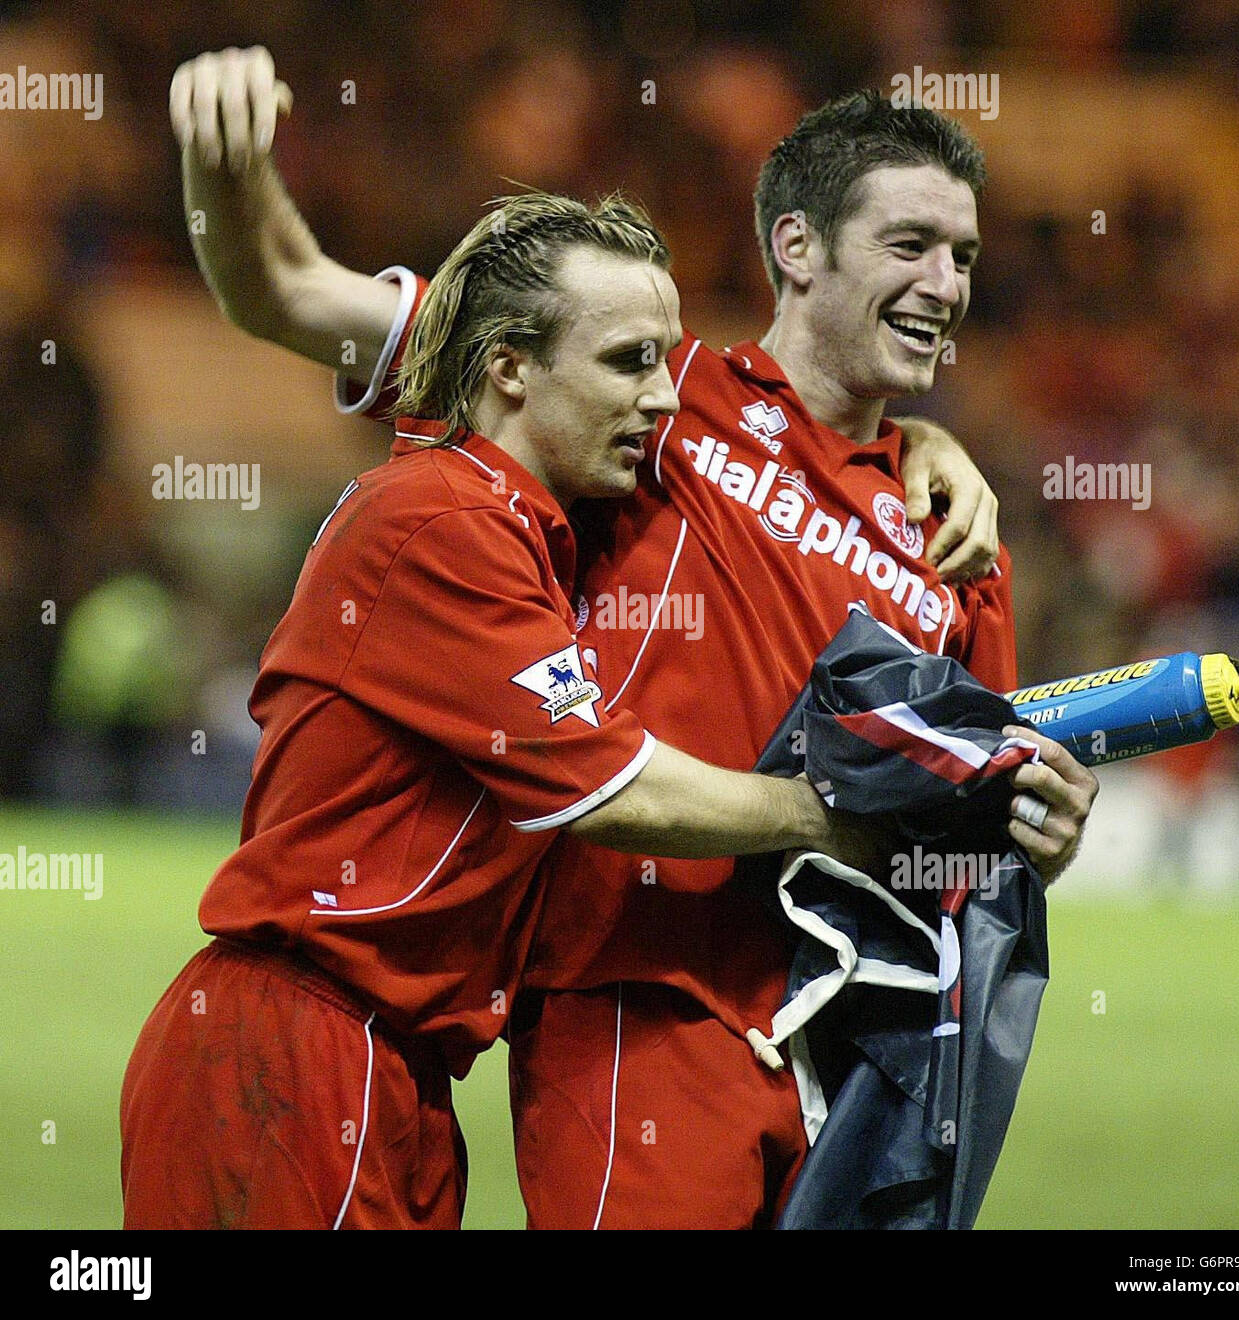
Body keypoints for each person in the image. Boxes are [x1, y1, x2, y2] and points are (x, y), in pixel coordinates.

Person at [168, 49, 1099, 1228]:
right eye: (909, 244)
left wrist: (1031, 840)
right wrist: (223, 165)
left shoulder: (954, 533)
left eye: (964, 255)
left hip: (856, 1050)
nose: (947, 282)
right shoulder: (649, 395)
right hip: (641, 1004)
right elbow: (287, 293)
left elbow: (962, 833)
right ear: (798, 248)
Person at [120, 190, 886, 1230]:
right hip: (299, 1048)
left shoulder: (514, 527)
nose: (665, 399)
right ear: (510, 368)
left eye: (667, 360)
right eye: (627, 361)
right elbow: (618, 790)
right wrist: (825, 817)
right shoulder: (441, 523)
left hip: (389, 1068)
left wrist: (915, 447)